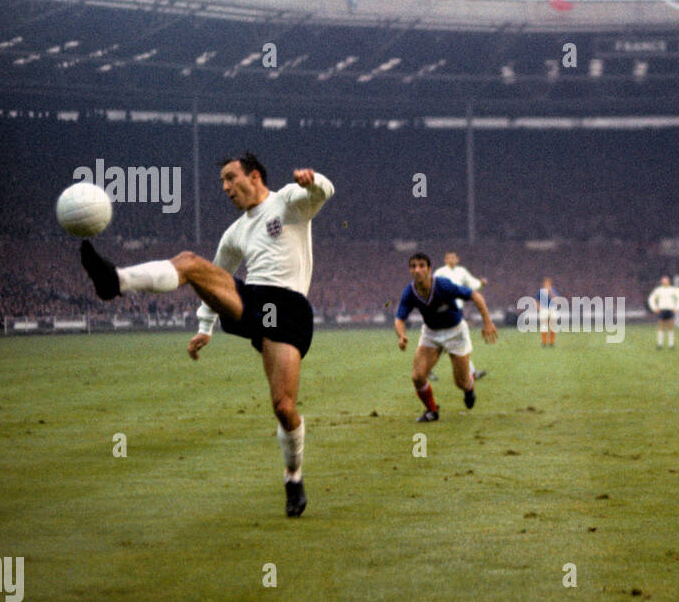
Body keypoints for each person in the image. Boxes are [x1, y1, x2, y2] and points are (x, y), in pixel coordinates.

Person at [79, 152, 332, 517]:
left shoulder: (289, 200)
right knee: (192, 264)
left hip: (288, 309)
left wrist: (314, 179)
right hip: (252, 298)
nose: (226, 188)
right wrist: (205, 327)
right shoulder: (235, 233)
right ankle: (115, 281)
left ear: (255, 176)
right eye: (223, 182)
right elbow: (217, 275)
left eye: (231, 178)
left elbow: (324, 193)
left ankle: (293, 476)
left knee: (284, 407)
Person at [395, 252, 497, 421]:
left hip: (455, 332)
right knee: (418, 376)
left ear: (429, 269)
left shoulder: (443, 285)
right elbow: (399, 319)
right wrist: (401, 336)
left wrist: (487, 321)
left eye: (421, 266)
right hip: (431, 333)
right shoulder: (410, 291)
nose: (417, 270)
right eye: (413, 266)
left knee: (461, 383)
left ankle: (470, 389)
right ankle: (432, 411)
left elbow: (475, 295)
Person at [432, 251, 487, 381]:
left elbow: (472, 283)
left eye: (454, 257)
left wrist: (481, 284)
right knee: (457, 341)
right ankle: (472, 372)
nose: (451, 259)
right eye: (449, 257)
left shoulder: (461, 271)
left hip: (458, 309)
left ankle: (472, 371)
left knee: (450, 341)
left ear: (458, 259)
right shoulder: (440, 273)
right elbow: (432, 288)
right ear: (445, 259)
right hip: (445, 309)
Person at [647, 275, 679, 349]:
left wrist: (676, 308)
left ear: (668, 281)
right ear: (662, 282)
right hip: (662, 310)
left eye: (666, 280)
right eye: (663, 280)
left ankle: (671, 344)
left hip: (670, 310)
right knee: (661, 326)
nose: (665, 282)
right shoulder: (658, 290)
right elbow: (651, 299)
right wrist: (655, 308)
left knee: (670, 326)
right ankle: (659, 344)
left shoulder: (673, 290)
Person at [535, 277, 558, 347]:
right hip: (544, 309)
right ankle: (544, 341)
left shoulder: (553, 290)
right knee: (544, 325)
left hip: (552, 308)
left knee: (553, 325)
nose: (547, 285)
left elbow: (556, 299)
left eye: (548, 284)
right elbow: (536, 300)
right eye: (546, 284)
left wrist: (550, 292)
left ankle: (552, 341)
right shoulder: (540, 291)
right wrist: (539, 308)